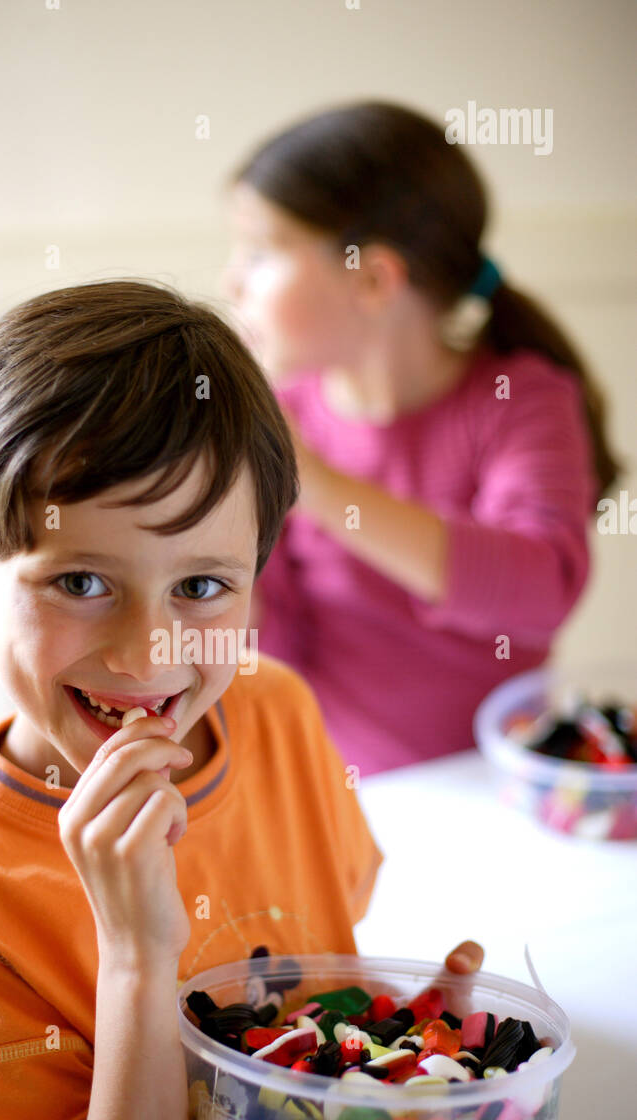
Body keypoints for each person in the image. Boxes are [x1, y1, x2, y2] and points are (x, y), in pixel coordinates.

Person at [0, 280, 483, 1120]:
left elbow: (303, 1003)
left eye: (201, 586)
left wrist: (402, 1041)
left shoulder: (275, 712)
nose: (149, 649)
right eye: (80, 582)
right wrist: (136, 952)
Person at [221, 101, 620, 775]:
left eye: (260, 252)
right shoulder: (280, 421)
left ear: (374, 277)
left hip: (492, 787)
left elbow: (543, 588)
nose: (232, 281)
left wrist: (314, 483)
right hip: (335, 792)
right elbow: (272, 653)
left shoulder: (518, 400)